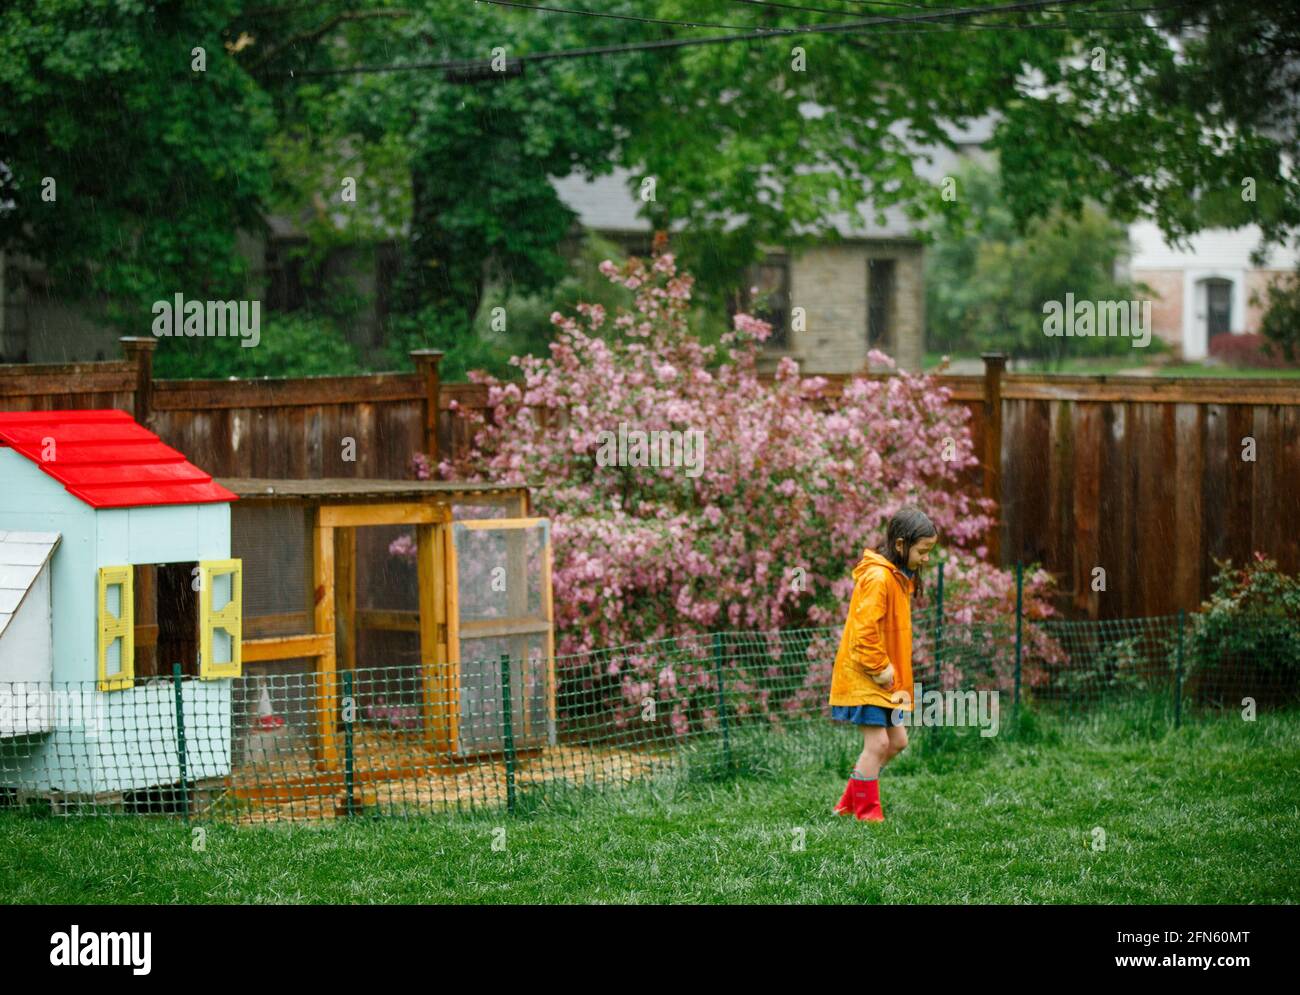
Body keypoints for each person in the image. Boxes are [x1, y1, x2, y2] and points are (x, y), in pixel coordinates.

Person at [829, 505, 938, 821]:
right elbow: (864, 632)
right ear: (902, 545)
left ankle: (849, 802)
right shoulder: (878, 577)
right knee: (877, 745)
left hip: (885, 679)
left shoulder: (898, 578)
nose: (927, 558)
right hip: (866, 675)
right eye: (923, 550)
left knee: (897, 742)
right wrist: (879, 669)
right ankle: (867, 813)